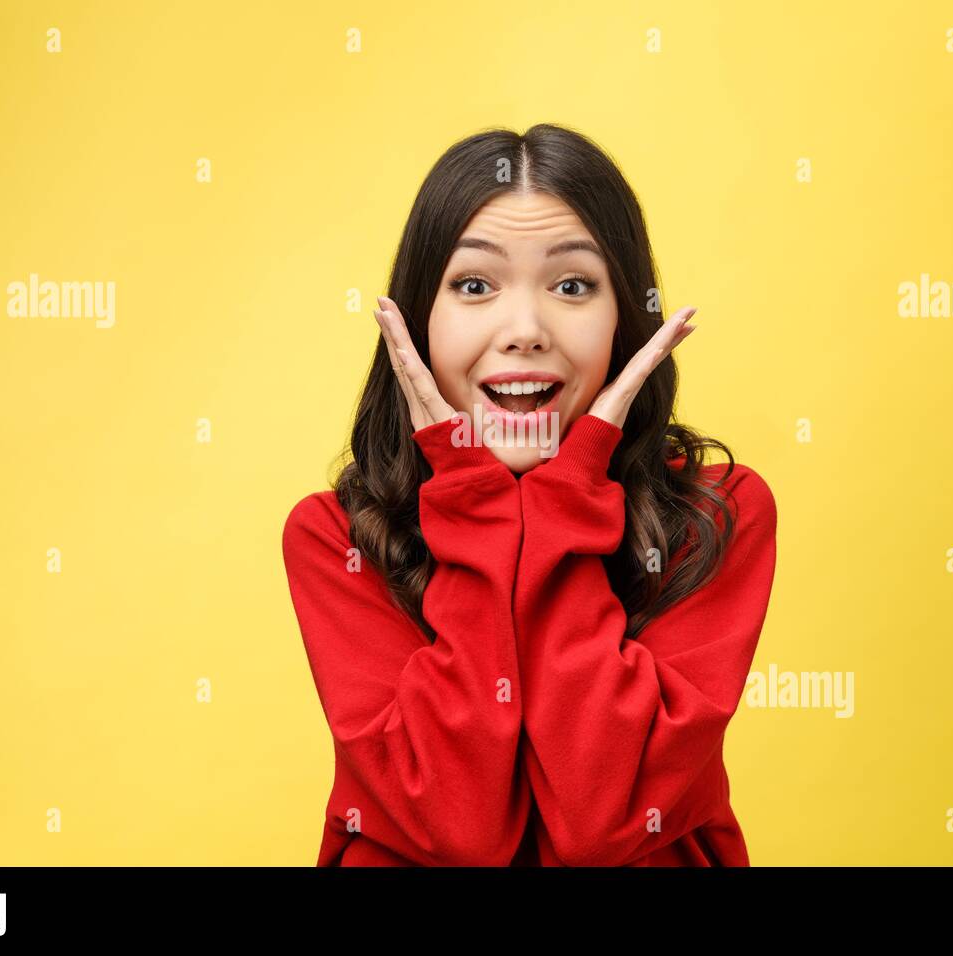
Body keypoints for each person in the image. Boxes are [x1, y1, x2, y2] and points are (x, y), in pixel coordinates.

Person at [282, 123, 777, 866]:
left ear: (624, 316)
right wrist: (474, 499)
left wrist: (569, 494)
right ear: (418, 318)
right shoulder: (336, 540)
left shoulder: (716, 516)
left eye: (572, 285)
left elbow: (602, 825)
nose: (524, 330)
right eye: (475, 286)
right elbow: (461, 835)